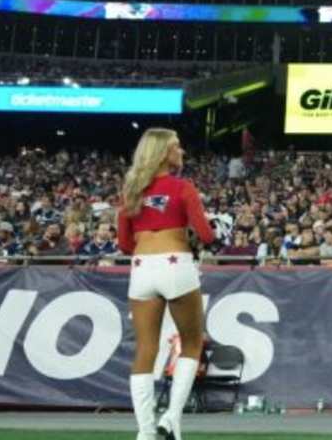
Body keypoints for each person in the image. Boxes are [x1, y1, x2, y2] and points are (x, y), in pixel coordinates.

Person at [116, 128, 214, 440]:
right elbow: (207, 235)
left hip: (142, 267)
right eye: (177, 147)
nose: (182, 151)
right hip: (176, 264)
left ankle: (145, 432)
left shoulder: (131, 191)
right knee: (192, 343)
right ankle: (171, 418)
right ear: (163, 153)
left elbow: (123, 244)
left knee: (145, 349)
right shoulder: (183, 187)